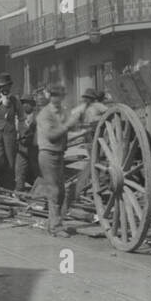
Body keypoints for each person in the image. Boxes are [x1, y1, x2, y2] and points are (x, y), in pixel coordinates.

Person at [36, 82, 88, 237]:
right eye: (54, 96)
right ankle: (55, 227)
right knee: (54, 190)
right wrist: (68, 125)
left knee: (61, 192)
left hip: (59, 154)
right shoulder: (44, 114)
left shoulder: (62, 112)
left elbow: (72, 127)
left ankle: (52, 223)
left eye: (60, 96)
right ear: (50, 97)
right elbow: (52, 136)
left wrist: (83, 128)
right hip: (47, 154)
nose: (57, 99)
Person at [0, 72, 21, 190]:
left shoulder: (15, 101)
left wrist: (20, 132)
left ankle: (8, 186)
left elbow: (21, 119)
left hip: (10, 133)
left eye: (5, 86)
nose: (2, 88)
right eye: (0, 86)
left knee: (11, 160)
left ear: (9, 86)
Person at [15, 96, 39, 191]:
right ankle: (19, 190)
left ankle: (38, 191)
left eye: (27, 103)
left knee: (37, 171)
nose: (24, 105)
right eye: (23, 103)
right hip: (21, 148)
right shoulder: (20, 118)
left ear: (32, 105)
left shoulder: (37, 117)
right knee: (20, 170)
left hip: (34, 149)